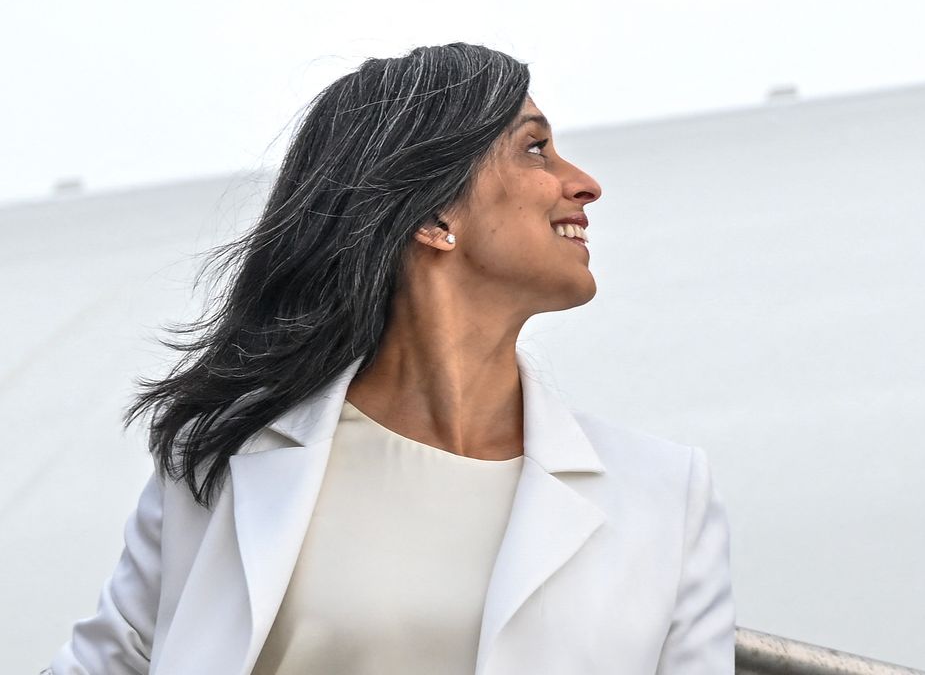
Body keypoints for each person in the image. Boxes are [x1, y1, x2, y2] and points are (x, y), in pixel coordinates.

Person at [48, 43, 733, 675]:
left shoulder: (666, 497)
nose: (583, 184)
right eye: (535, 150)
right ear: (435, 216)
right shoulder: (224, 457)